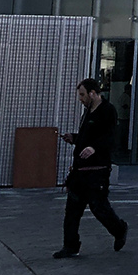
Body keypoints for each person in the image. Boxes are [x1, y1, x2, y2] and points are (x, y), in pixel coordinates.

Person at [54, 79, 128, 258]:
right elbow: (88, 136)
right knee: (72, 209)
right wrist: (75, 138)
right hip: (80, 170)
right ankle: (70, 245)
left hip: (97, 170)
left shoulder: (108, 111)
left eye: (82, 95)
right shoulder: (87, 112)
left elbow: (110, 137)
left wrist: (94, 147)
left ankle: (119, 229)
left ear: (93, 93)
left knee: (99, 207)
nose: (80, 99)